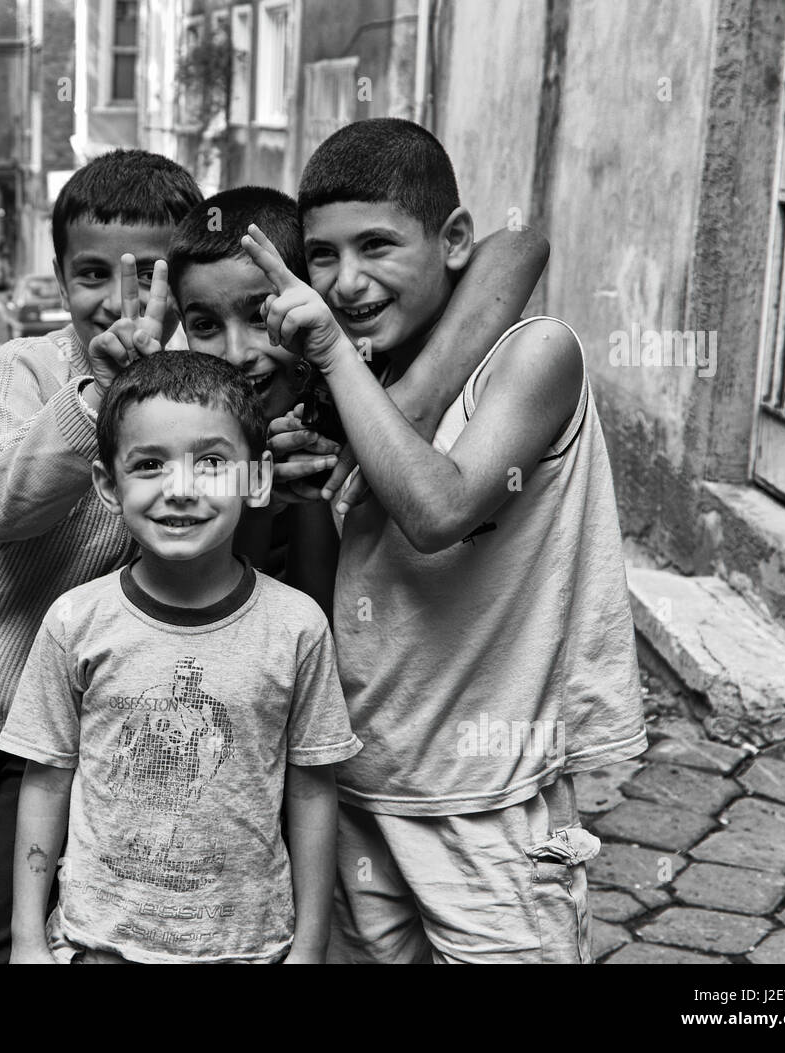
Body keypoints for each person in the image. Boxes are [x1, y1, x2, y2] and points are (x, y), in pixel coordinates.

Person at [245, 117, 647, 964]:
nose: (347, 282)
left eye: (378, 246)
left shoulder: (534, 354)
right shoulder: (365, 383)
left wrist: (332, 353)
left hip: (489, 807)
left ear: (453, 239)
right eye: (324, 256)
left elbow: (439, 510)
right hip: (360, 789)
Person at [0, 149, 203, 964]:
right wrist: (101, 394)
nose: (117, 303)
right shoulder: (25, 369)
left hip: (81, 725)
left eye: (147, 277)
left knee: (9, 938)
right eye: (91, 274)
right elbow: (1, 504)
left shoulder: (205, 402)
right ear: (60, 276)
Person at [0, 351, 360, 963]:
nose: (181, 488)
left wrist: (310, 946)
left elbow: (312, 790)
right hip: (100, 945)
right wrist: (27, 939)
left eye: (213, 463)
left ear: (257, 481)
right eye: (148, 465)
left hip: (245, 950)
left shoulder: (297, 627)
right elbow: (46, 778)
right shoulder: (75, 622)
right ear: (108, 486)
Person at [165, 184, 550, 612]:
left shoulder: (360, 366)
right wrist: (260, 498)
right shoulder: (190, 420)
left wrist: (413, 397)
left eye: (261, 317)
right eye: (205, 327)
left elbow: (521, 244)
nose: (236, 354)